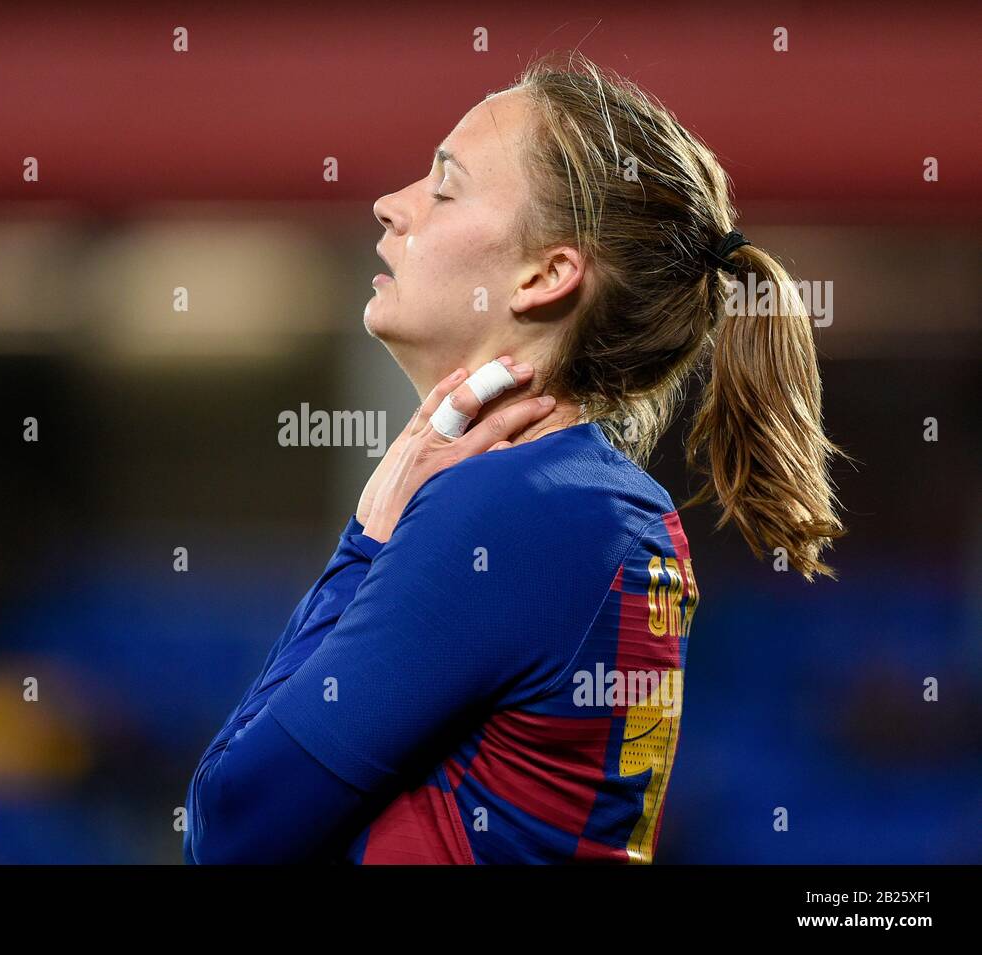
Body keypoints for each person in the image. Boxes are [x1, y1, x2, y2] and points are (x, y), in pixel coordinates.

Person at [183, 52, 844, 864]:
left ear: (547, 274)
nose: (390, 205)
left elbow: (227, 829)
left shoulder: (520, 509)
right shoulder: (577, 499)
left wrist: (363, 545)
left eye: (444, 185)